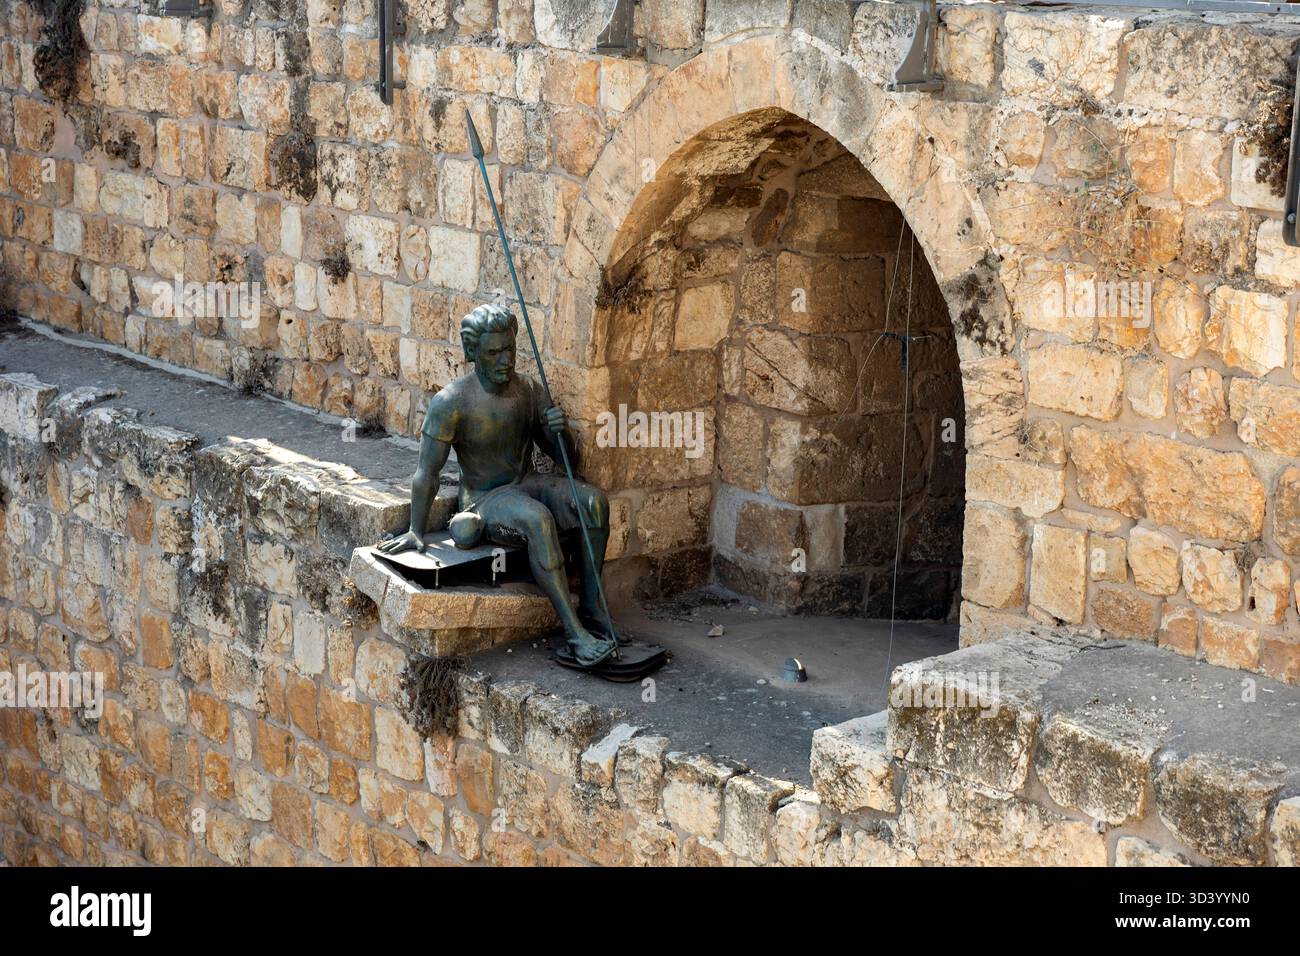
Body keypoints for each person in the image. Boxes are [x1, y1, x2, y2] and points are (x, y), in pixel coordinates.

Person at [377, 303, 616, 667]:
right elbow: (427, 472)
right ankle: (574, 633)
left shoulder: (529, 390)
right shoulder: (451, 402)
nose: (505, 360)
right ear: (472, 353)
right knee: (537, 520)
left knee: (595, 502)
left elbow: (567, 460)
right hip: (485, 500)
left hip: (528, 482)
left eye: (509, 349)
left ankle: (593, 607)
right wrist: (415, 529)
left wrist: (558, 430)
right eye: (494, 352)